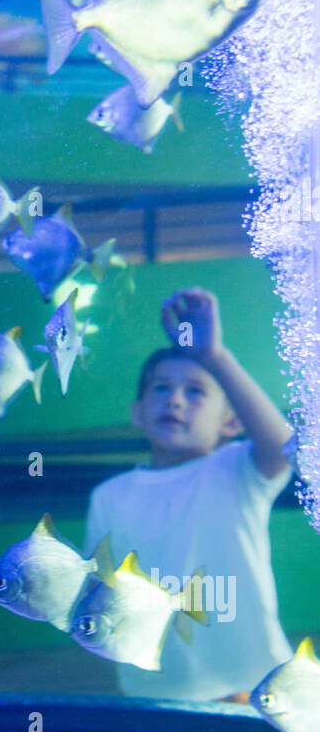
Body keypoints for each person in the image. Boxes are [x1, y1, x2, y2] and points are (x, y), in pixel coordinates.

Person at [83, 287, 294, 703]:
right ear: (138, 412)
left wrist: (214, 356)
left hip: (259, 692)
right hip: (152, 694)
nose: (176, 400)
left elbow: (284, 445)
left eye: (196, 391)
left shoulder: (238, 470)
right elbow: (99, 589)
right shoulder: (109, 496)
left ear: (230, 421)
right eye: (161, 388)